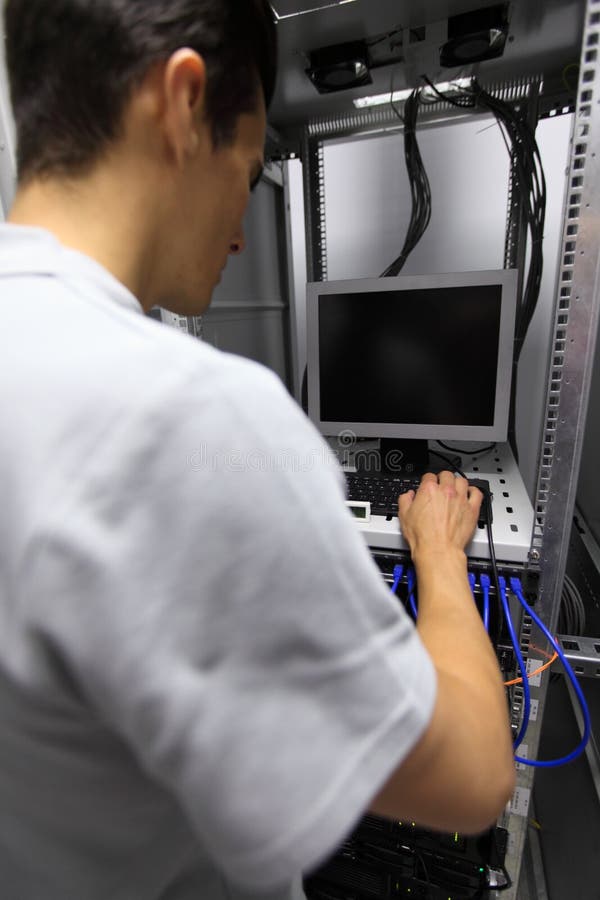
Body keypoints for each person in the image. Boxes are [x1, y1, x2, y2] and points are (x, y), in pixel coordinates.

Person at [0, 2, 515, 898]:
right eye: (246, 170)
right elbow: (472, 779)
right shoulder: (189, 415)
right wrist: (436, 556)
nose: (241, 230)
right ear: (184, 102)